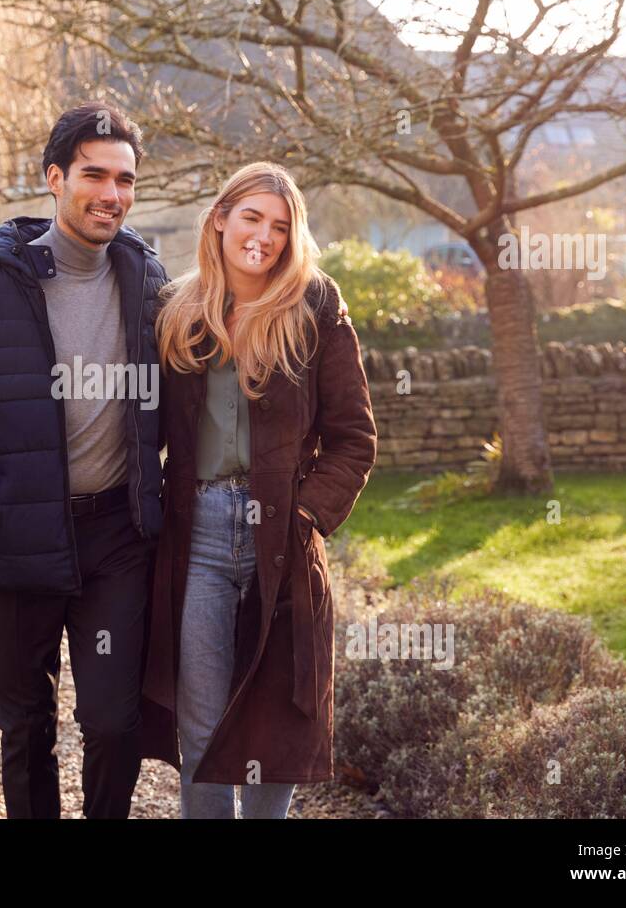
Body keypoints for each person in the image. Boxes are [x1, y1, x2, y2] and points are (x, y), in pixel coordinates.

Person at [0, 101, 168, 818]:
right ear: (54, 178)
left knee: (116, 722)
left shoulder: (150, 284)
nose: (111, 194)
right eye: (94, 175)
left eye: (125, 179)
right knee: (26, 726)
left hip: (116, 537)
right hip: (17, 538)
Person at [139, 161, 377, 818]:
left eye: (280, 225)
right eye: (252, 218)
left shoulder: (316, 307)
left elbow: (354, 438)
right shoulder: (175, 312)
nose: (265, 237)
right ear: (219, 219)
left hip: (284, 539)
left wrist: (305, 516)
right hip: (201, 539)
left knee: (279, 723)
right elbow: (142, 430)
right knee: (203, 726)